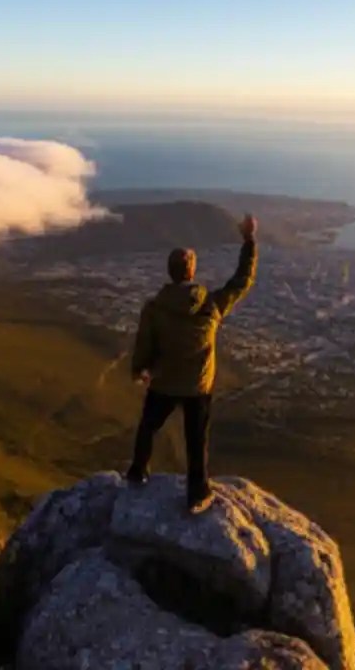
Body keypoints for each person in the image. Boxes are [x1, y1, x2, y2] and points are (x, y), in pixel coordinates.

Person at [125, 214, 259, 513]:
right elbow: (242, 280)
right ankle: (197, 493)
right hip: (198, 386)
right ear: (192, 270)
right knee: (196, 439)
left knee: (148, 427)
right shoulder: (211, 305)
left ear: (170, 272)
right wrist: (249, 240)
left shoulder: (155, 308)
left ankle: (137, 472)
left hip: (163, 381)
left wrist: (140, 370)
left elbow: (144, 343)